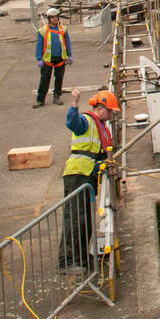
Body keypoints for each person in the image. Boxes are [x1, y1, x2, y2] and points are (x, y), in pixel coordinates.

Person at [59, 87, 119, 269]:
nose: (111, 117)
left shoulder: (98, 126)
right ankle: (69, 262)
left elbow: (95, 154)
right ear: (102, 109)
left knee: (83, 220)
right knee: (75, 220)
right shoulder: (86, 121)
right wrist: (74, 103)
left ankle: (83, 259)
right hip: (77, 176)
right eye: (110, 113)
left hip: (86, 177)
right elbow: (72, 123)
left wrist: (101, 165)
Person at [34, 7, 72, 107]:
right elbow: (39, 45)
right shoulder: (43, 31)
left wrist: (69, 55)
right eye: (53, 17)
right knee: (45, 79)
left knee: (59, 78)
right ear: (49, 18)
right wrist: (39, 59)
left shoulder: (63, 30)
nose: (55, 19)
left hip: (60, 58)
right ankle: (40, 99)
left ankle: (57, 96)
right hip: (47, 60)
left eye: (56, 17)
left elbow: (67, 42)